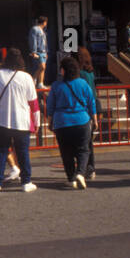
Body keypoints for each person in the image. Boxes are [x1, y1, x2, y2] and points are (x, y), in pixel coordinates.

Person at [0, 49, 38, 193]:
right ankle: (26, 182)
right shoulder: (26, 77)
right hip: (22, 121)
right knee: (23, 153)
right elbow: (33, 103)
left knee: (1, 151)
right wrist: (37, 122)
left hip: (1, 120)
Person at [45, 56, 99, 189]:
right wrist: (95, 120)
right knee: (83, 149)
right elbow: (91, 102)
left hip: (62, 122)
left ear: (63, 71)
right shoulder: (83, 83)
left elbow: (50, 106)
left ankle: (71, 178)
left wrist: (50, 122)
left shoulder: (56, 86)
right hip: (82, 120)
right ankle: (81, 173)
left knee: (66, 152)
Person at [76, 48, 99, 179]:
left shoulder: (80, 74)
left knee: (82, 143)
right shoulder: (91, 72)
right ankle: (91, 167)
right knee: (88, 141)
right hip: (93, 107)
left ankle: (83, 168)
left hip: (82, 109)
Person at [28, 16, 48, 87]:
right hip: (38, 51)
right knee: (42, 67)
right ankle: (33, 79)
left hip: (43, 51)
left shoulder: (43, 30)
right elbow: (33, 40)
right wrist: (34, 51)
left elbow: (45, 42)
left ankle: (40, 83)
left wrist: (46, 52)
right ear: (44, 22)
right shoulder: (35, 29)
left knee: (43, 68)